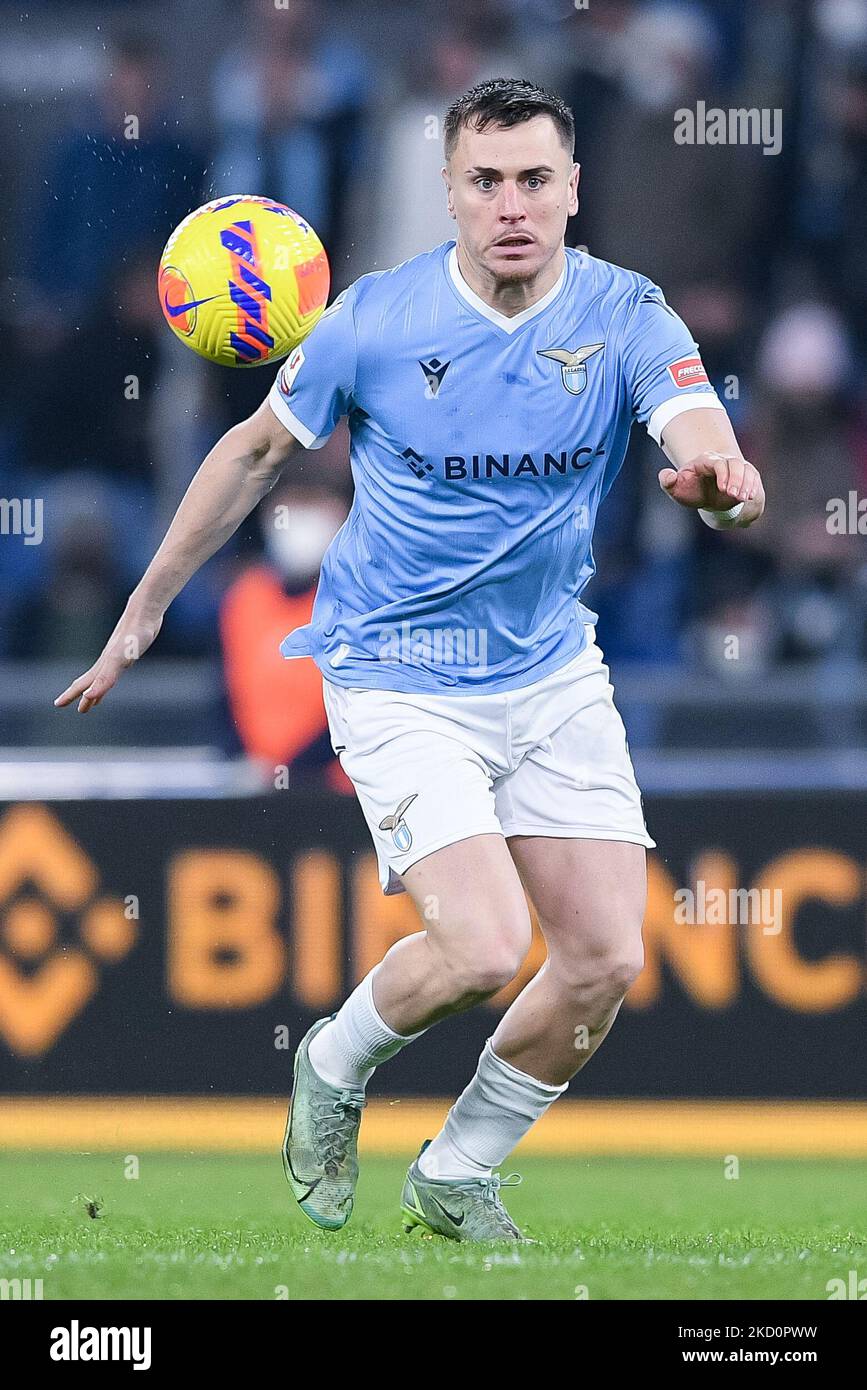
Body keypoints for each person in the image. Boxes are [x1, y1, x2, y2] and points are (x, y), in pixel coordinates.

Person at [55, 78, 765, 1243]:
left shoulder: (631, 312)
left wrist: (721, 492)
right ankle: (330, 1069)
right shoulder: (375, 321)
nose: (513, 204)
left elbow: (705, 444)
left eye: (536, 179)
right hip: (394, 669)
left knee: (601, 958)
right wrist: (143, 610)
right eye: (486, 181)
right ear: (448, 193)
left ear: (575, 188)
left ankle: (455, 1169)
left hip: (547, 670)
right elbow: (248, 456)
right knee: (485, 945)